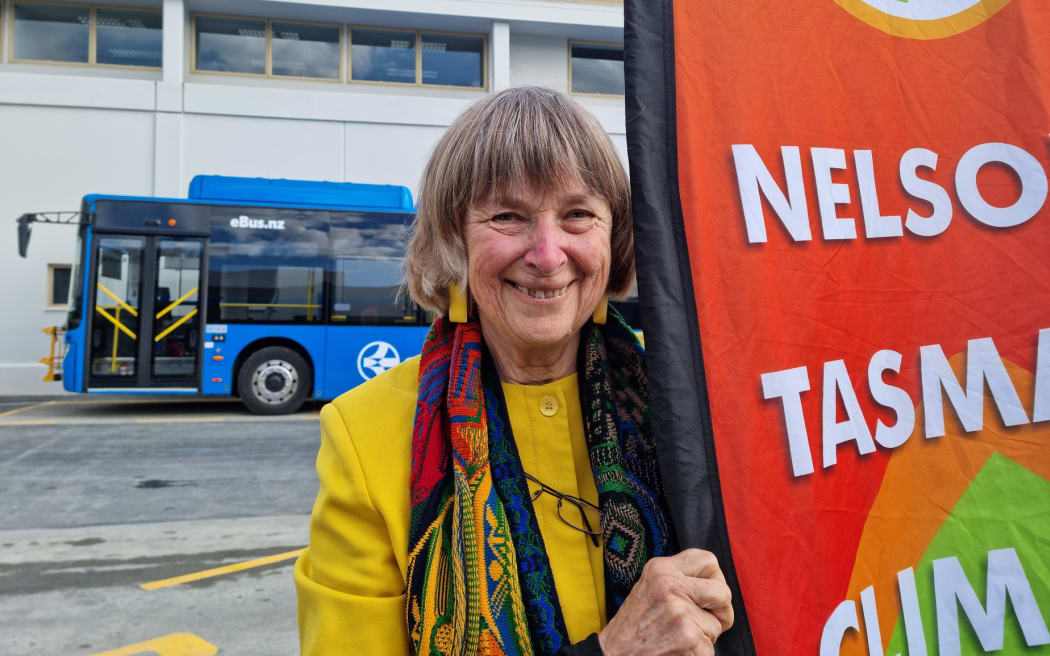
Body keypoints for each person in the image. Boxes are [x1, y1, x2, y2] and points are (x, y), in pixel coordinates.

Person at [294, 86, 734, 656]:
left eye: (578, 215)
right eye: (507, 216)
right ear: (454, 238)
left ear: (616, 236)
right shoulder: (363, 432)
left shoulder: (690, 391)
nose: (547, 255)